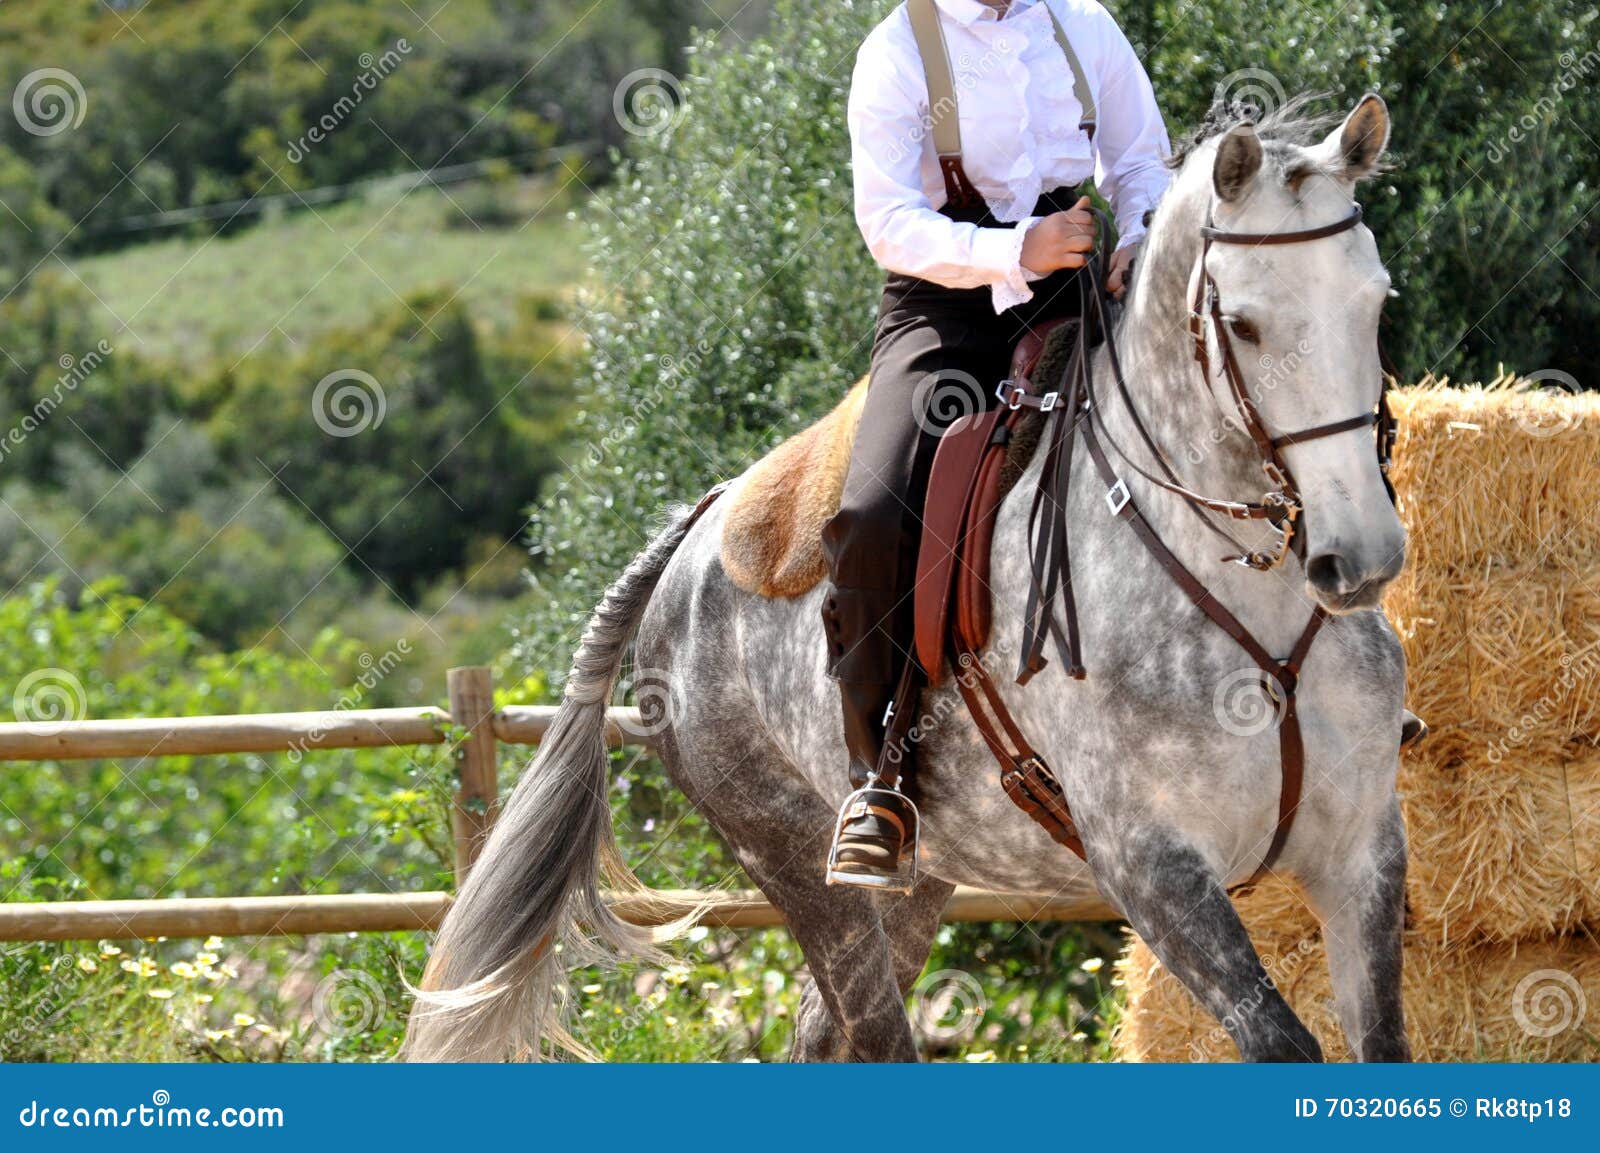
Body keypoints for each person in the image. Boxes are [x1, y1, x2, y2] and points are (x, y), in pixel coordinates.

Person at [820, 0, 1173, 888]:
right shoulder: (896, 50)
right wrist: (1021, 245)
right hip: (949, 303)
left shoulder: (1083, 23)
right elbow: (891, 224)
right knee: (870, 512)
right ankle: (879, 778)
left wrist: (1137, 239)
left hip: (1083, 281)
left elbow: (1138, 160)